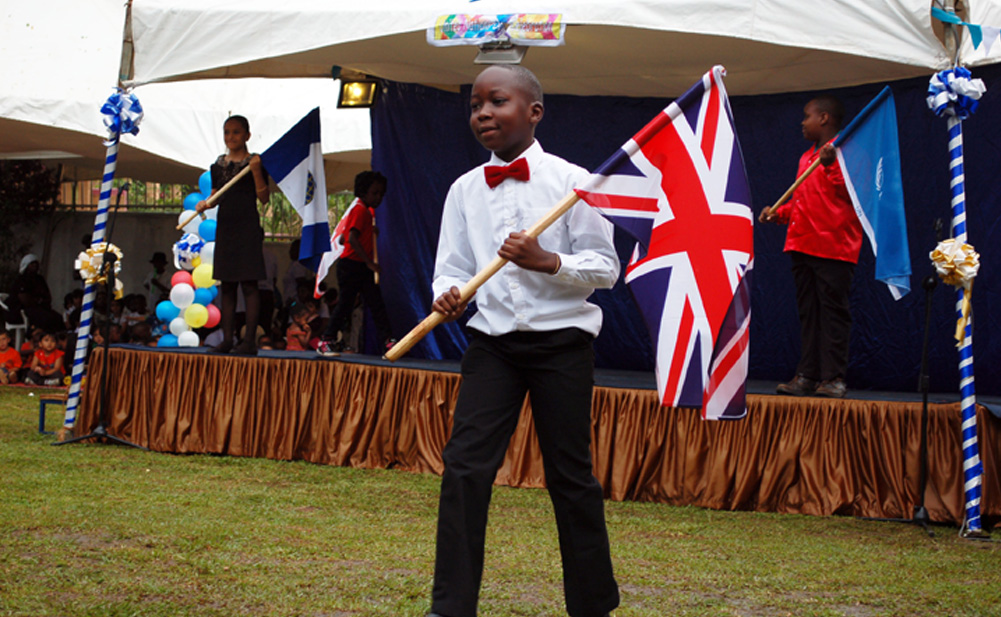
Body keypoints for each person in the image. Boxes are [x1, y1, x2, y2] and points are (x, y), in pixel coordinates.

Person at [426, 65, 620, 617]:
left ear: (534, 111)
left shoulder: (572, 182)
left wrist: (548, 261)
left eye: (497, 101)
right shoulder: (464, 190)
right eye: (474, 105)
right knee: (465, 469)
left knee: (570, 476)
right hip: (493, 345)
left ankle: (592, 604)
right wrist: (450, 294)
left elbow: (607, 268)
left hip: (562, 344)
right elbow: (451, 268)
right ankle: (451, 606)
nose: (482, 113)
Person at [759, 94, 859, 399]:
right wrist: (780, 214)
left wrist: (830, 166)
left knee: (832, 314)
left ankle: (833, 378)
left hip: (833, 247)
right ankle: (807, 374)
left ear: (825, 118)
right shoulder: (806, 158)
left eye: (807, 116)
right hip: (802, 244)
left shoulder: (846, 151)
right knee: (809, 314)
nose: (803, 123)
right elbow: (804, 201)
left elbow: (854, 192)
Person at [196, 115, 271, 355]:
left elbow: (264, 197)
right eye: (227, 132)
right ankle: (227, 339)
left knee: (249, 284)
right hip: (226, 227)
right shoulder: (218, 166)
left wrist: (256, 170)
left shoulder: (255, 162)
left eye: (236, 132)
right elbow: (216, 195)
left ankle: (249, 341)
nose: (231, 137)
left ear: (247, 135)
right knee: (227, 284)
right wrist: (205, 204)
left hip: (248, 227)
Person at [316, 171, 395, 356]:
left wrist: (368, 231)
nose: (378, 197)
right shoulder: (360, 210)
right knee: (347, 304)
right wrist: (369, 263)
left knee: (376, 304)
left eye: (381, 194)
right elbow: (351, 239)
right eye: (375, 193)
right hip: (353, 265)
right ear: (363, 191)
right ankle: (326, 340)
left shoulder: (362, 211)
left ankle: (388, 341)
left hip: (356, 264)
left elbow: (343, 238)